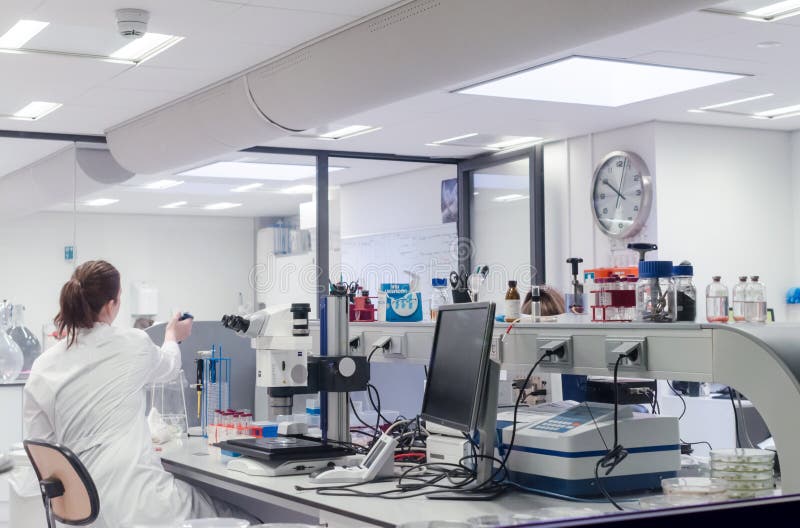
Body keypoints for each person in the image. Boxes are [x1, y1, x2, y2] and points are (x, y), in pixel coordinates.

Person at [23, 260, 252, 527]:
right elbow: (169, 366)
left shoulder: (43, 366)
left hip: (81, 513)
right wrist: (172, 336)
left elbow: (42, 446)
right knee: (245, 519)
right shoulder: (132, 344)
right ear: (111, 305)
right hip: (140, 504)